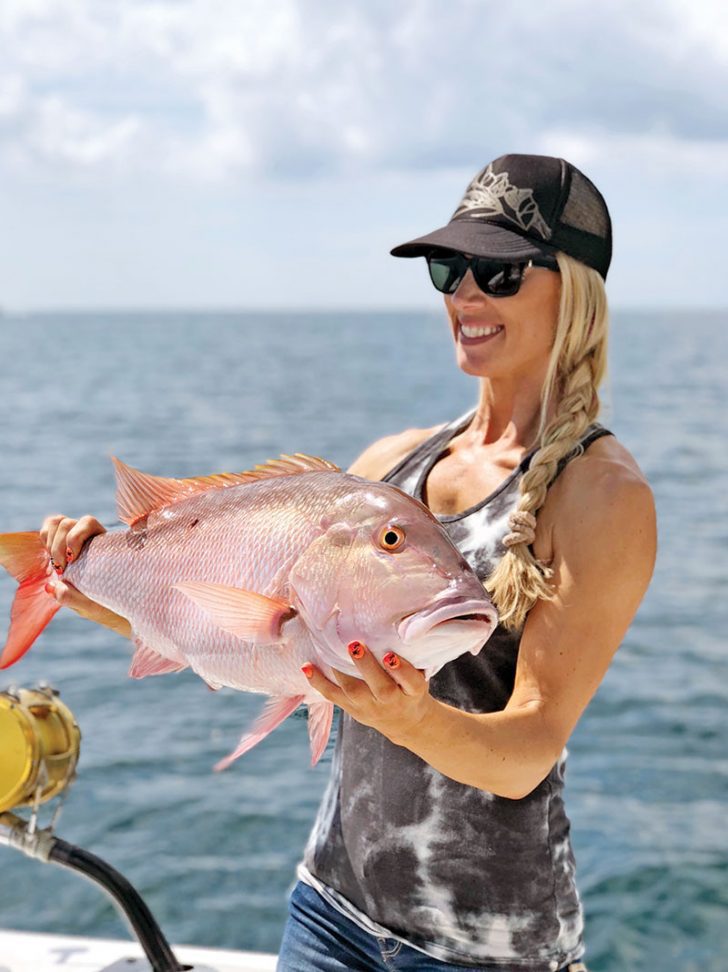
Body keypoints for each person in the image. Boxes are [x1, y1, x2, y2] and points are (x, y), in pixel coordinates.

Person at [41, 154, 657, 972]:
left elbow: (531, 748)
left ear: (573, 288)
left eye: (500, 272)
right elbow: (233, 627)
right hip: (329, 912)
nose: (465, 295)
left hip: (485, 949)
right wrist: (81, 578)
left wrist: (406, 715)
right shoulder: (393, 463)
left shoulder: (600, 494)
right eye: (450, 269)